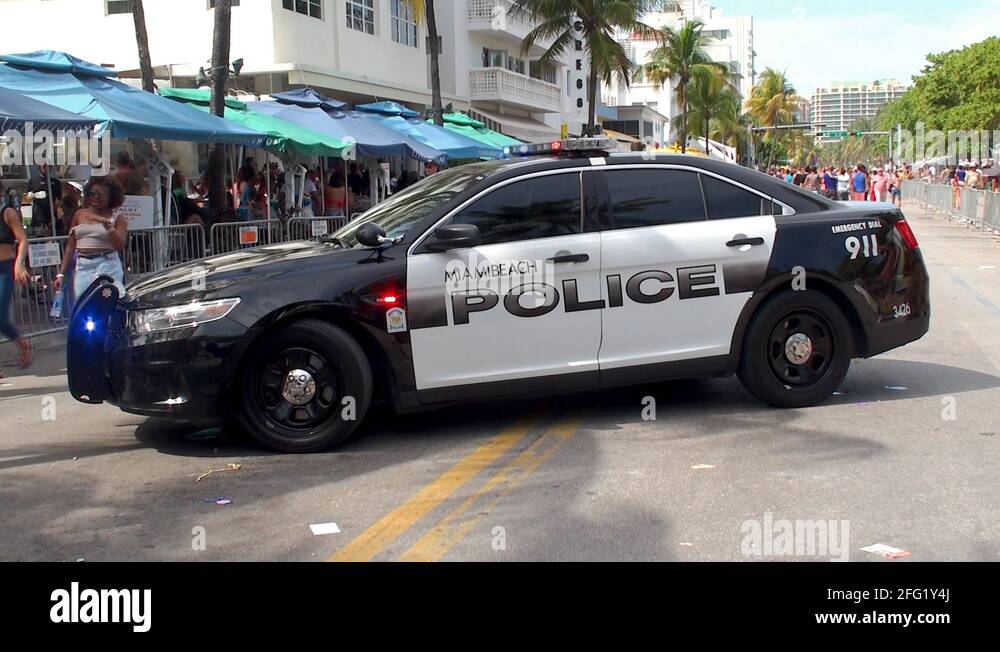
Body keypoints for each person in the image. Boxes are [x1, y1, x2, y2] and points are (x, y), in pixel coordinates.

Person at [54, 177, 128, 304]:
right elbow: (70, 247)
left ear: (110, 197)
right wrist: (61, 274)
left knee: (108, 303)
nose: (96, 197)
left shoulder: (118, 218)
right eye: (92, 193)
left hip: (108, 264)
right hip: (83, 266)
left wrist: (108, 227)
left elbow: (120, 245)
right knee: (82, 304)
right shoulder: (79, 214)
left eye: (100, 194)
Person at [0, 187, 33, 375]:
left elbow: (22, 239)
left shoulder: (7, 213)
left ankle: (23, 344)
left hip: (5, 268)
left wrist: (19, 264)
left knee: (0, 315)